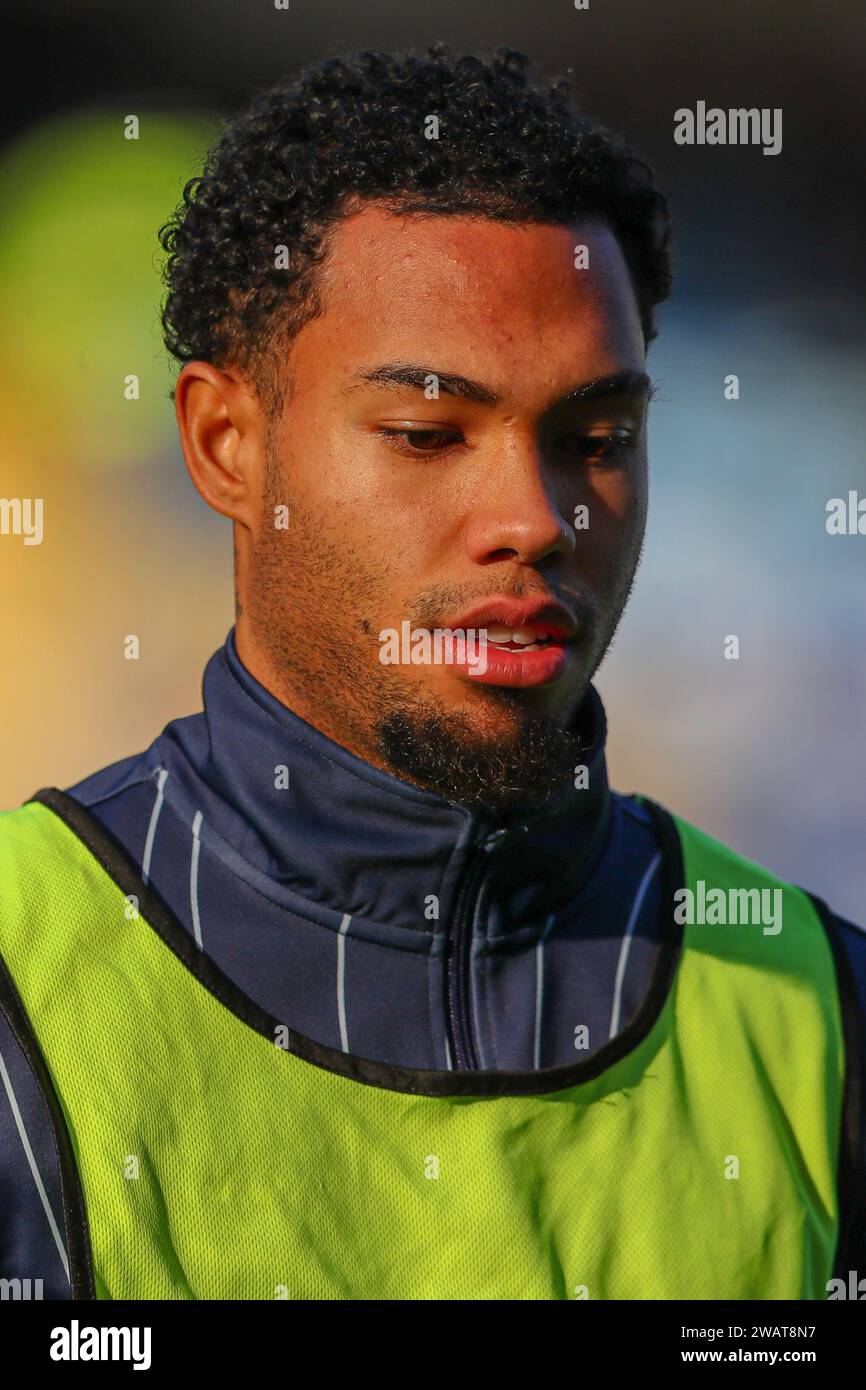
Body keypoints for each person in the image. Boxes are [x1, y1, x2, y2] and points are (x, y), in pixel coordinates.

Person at [0, 44, 863, 1302]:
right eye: (424, 433)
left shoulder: (818, 1011)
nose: (532, 515)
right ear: (224, 444)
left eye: (593, 437)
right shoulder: (27, 980)